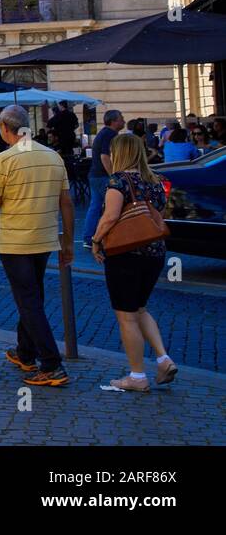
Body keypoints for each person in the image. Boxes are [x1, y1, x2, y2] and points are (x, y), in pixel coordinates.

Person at [0, 105, 74, 388]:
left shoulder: (3, 160)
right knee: (33, 296)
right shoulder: (53, 156)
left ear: (4, 128)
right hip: (45, 238)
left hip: (16, 241)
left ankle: (52, 364)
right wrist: (68, 241)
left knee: (28, 301)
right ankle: (25, 352)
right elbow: (66, 203)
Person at [91, 134, 177, 391]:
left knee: (126, 316)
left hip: (125, 253)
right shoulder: (157, 180)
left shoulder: (118, 181)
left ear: (119, 153)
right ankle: (163, 359)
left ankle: (137, 376)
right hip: (155, 252)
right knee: (140, 308)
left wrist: (96, 240)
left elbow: (110, 217)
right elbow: (159, 215)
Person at [83, 109, 124, 246]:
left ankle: (89, 237)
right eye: (121, 119)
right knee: (112, 207)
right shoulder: (110, 134)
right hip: (103, 176)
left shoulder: (104, 133)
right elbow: (104, 156)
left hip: (95, 175)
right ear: (113, 121)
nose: (123, 121)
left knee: (95, 206)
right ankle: (104, 237)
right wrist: (113, 176)